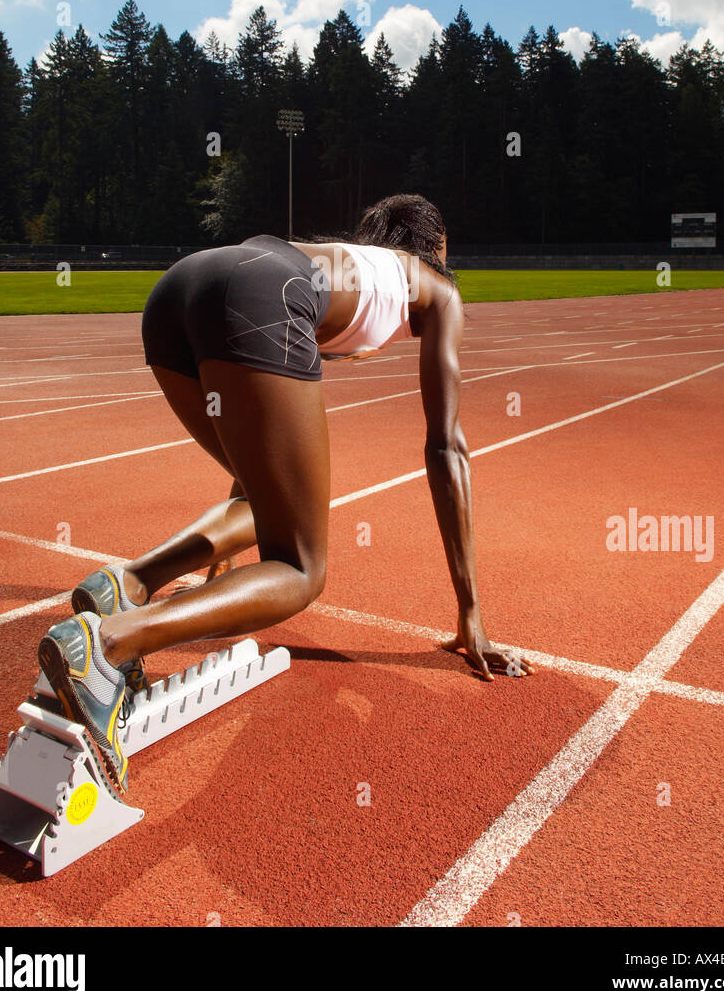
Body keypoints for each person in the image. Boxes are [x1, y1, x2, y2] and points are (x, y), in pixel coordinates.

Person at [38, 194, 534, 795]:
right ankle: (107, 647)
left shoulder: (350, 263)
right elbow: (446, 447)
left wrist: (222, 566)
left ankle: (129, 583)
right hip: (263, 293)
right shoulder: (437, 289)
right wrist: (471, 612)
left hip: (180, 289)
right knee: (301, 568)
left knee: (270, 495)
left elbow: (259, 443)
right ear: (438, 246)